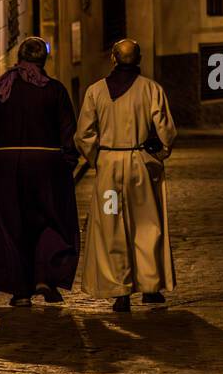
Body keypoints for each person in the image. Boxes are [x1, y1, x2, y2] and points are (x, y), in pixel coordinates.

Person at [0, 37, 81, 307]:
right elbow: (67, 130)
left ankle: (20, 289)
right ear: (42, 61)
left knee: (12, 225)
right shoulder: (54, 90)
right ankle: (45, 277)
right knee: (49, 220)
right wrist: (68, 160)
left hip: (6, 166)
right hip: (47, 165)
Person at [75, 39, 178, 312]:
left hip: (109, 166)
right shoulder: (151, 89)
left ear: (113, 58)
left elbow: (84, 133)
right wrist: (160, 154)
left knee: (111, 226)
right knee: (146, 224)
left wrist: (98, 158)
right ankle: (149, 285)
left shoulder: (95, 92)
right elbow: (166, 129)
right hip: (139, 165)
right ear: (139, 58)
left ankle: (120, 290)